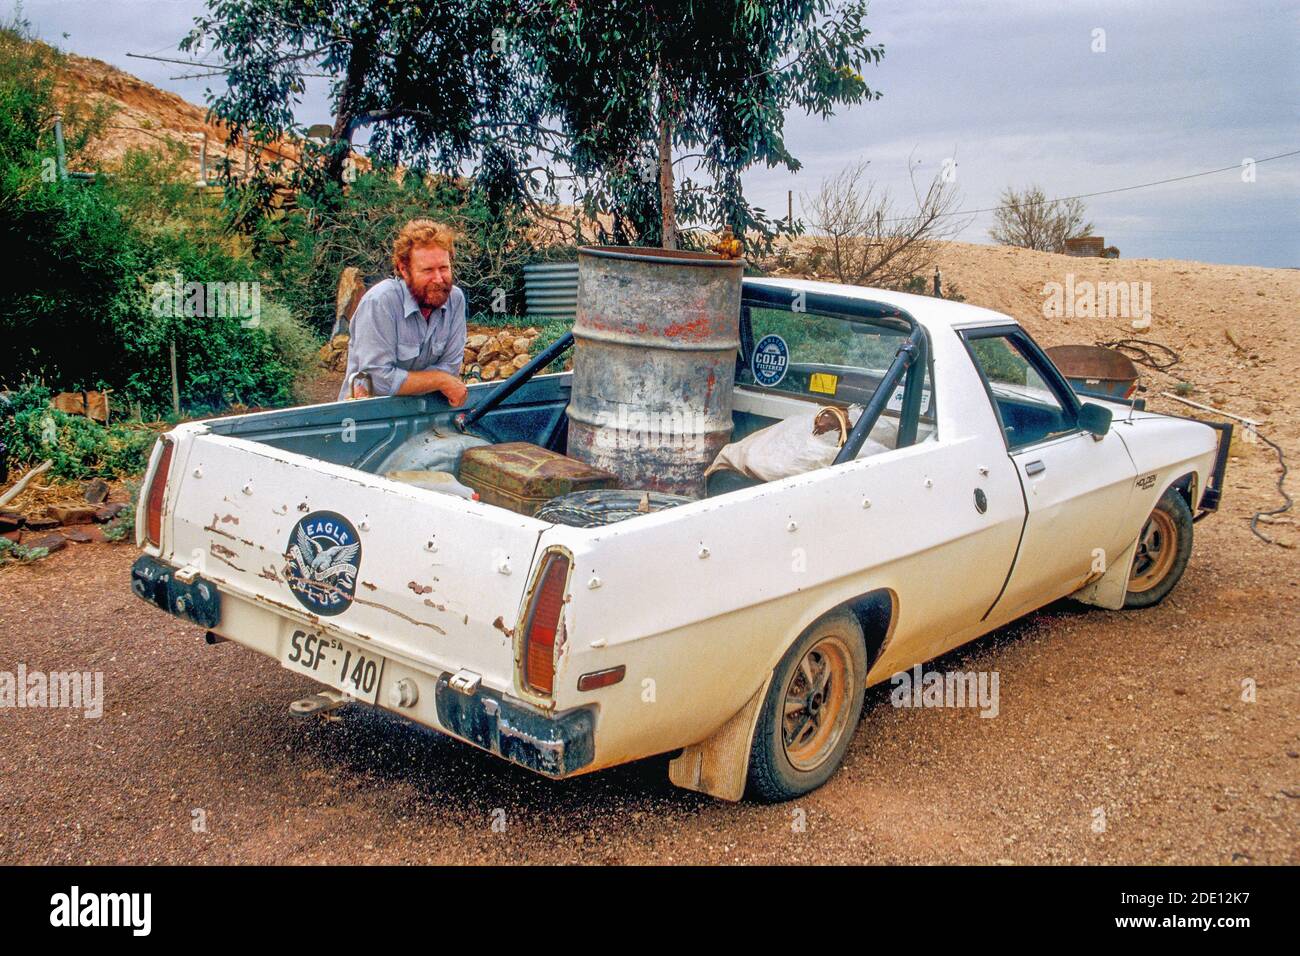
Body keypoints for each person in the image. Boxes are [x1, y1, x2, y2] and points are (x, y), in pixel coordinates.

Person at [339, 219, 469, 406]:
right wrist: (440, 381)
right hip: (368, 419)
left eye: (444, 268)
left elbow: (451, 368)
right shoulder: (380, 302)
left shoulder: (455, 299)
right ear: (403, 269)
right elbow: (377, 379)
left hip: (427, 414)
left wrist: (401, 380)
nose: (439, 279)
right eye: (428, 270)